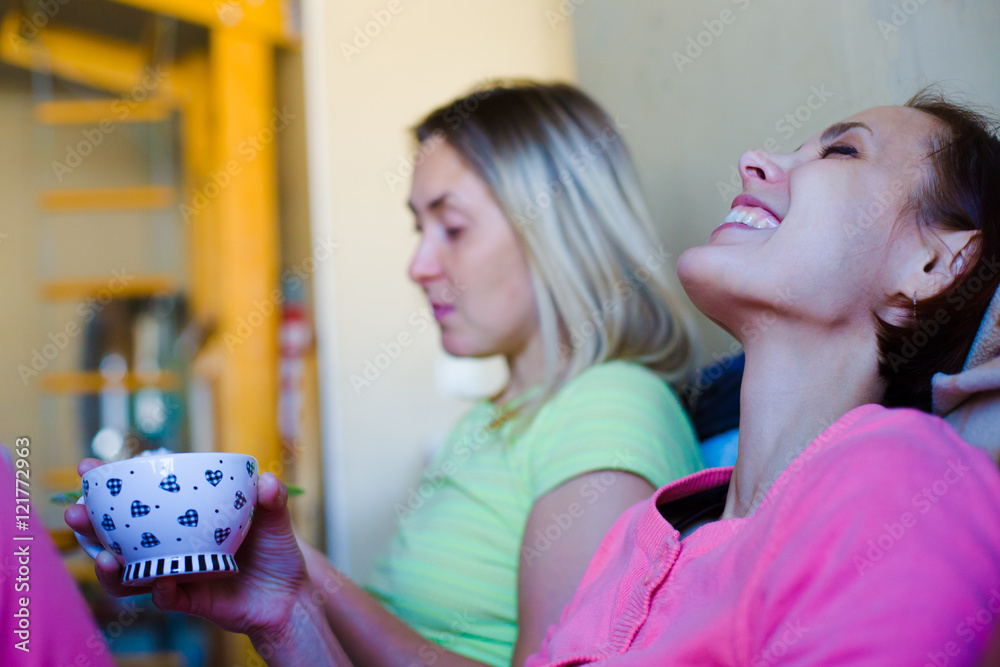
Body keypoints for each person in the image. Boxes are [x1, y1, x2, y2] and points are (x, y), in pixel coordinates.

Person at [67, 81, 703, 667]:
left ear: (561, 230)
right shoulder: (497, 416)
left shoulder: (610, 411)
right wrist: (278, 595)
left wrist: (308, 576)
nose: (420, 264)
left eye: (452, 227)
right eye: (417, 227)